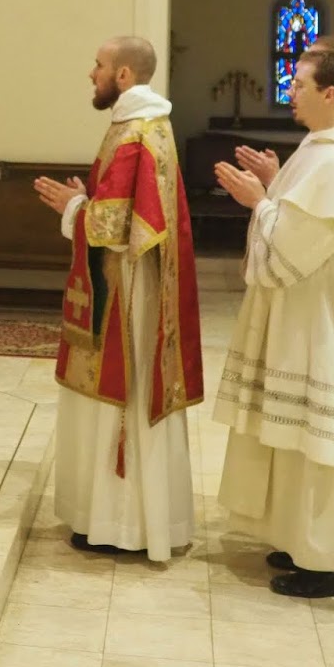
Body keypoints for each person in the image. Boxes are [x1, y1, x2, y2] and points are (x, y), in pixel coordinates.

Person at [211, 45, 334, 598]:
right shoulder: (324, 146)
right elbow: (302, 216)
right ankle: (299, 540)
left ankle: (330, 565)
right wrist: (276, 182)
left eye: (300, 84)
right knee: (294, 437)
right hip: (306, 316)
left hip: (320, 324)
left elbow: (291, 250)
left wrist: (258, 201)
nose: (290, 92)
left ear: (329, 93)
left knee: (314, 440)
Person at [33, 37, 204, 562]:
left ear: (124, 75)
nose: (92, 74)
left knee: (122, 399)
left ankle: (123, 524)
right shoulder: (139, 126)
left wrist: (74, 206)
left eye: (100, 66)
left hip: (129, 291)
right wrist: (85, 201)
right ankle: (108, 518)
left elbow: (117, 225)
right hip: (121, 279)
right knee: (106, 401)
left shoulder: (137, 133)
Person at [233, 36, 334, 188]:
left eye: (316, 58)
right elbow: (305, 197)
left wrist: (256, 198)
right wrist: (274, 179)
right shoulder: (324, 134)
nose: (305, 61)